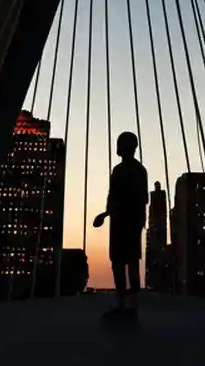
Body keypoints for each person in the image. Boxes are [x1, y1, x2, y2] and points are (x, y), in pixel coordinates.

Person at [93, 131, 148, 323]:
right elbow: (113, 196)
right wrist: (106, 214)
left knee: (127, 262)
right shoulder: (130, 171)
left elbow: (140, 199)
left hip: (126, 221)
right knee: (121, 262)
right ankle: (126, 304)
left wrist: (110, 213)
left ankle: (128, 305)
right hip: (123, 221)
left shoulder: (134, 171)